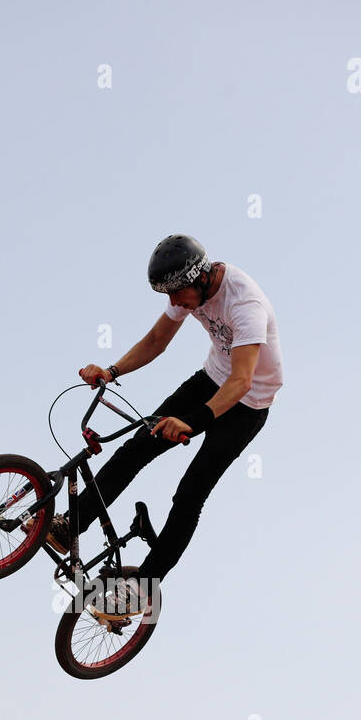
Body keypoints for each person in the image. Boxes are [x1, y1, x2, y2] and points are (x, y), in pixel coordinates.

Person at [49, 234, 283, 614]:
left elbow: (241, 381)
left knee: (189, 494)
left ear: (202, 278)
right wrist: (111, 371)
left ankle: (142, 589)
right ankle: (70, 526)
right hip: (210, 379)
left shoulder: (246, 304)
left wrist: (190, 423)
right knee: (137, 447)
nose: (175, 303)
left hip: (248, 405)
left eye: (178, 295)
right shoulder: (185, 289)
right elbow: (158, 339)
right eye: (168, 296)